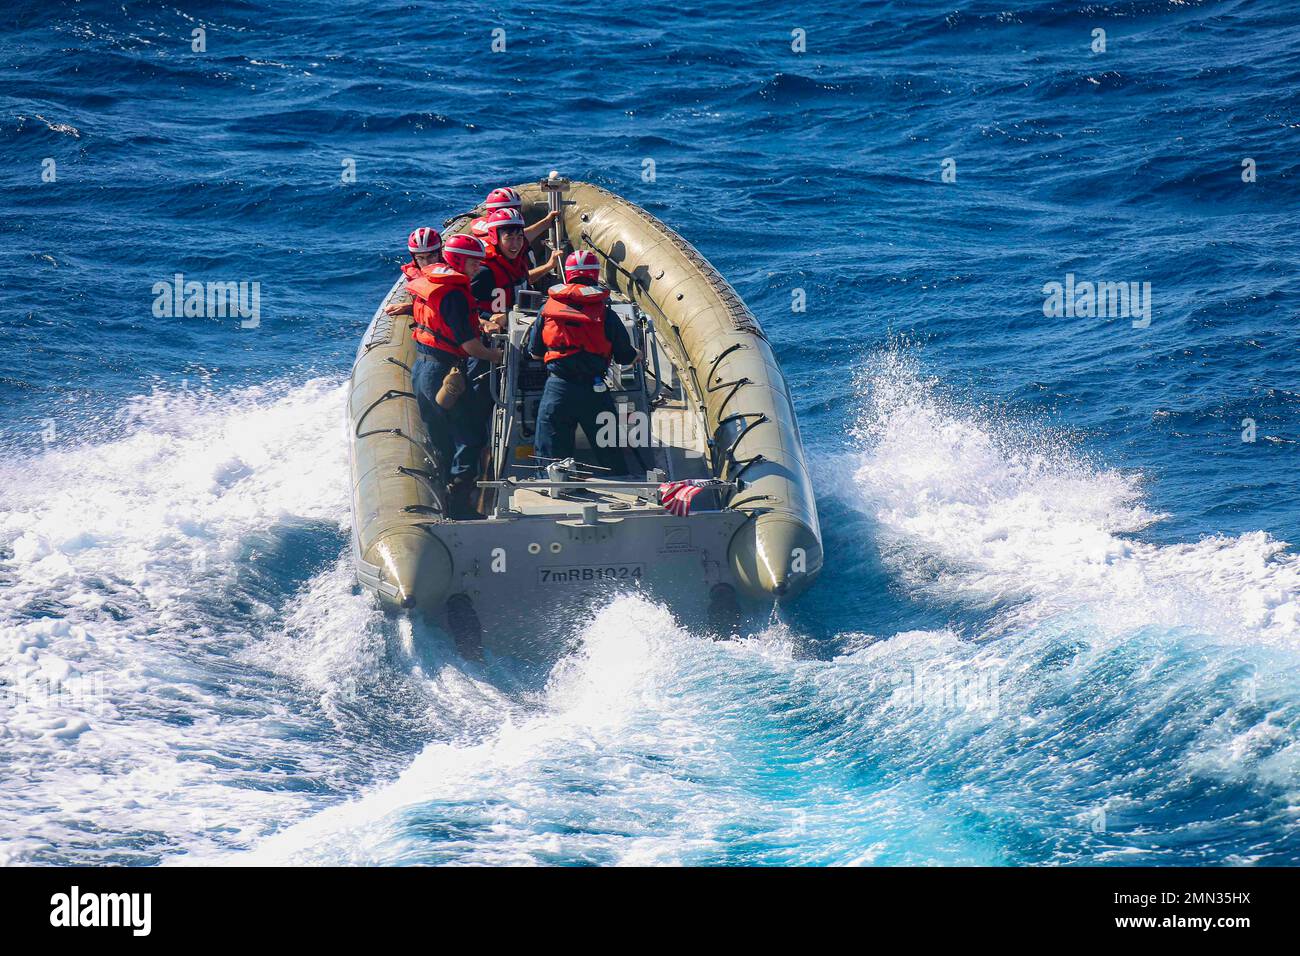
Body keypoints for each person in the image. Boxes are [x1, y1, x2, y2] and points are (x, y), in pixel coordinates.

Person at [403, 234, 504, 518]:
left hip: (424, 368)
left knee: (441, 434)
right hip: (442, 373)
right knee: (469, 435)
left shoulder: (434, 283)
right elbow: (470, 347)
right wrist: (501, 356)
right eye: (474, 263)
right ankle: (460, 505)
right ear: (460, 261)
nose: (478, 269)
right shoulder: (455, 293)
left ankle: (444, 492)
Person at [528, 250, 640, 474]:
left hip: (558, 389)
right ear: (594, 275)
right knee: (610, 454)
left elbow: (535, 353)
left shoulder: (547, 310)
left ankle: (556, 495)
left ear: (568, 276)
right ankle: (621, 488)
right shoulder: (607, 314)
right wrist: (637, 353)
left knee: (551, 461)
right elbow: (624, 357)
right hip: (594, 390)